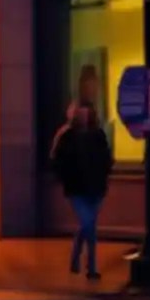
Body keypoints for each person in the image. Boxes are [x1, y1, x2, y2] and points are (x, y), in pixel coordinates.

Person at [50, 97, 113, 280]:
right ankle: (90, 267)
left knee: (88, 225)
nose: (84, 117)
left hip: (96, 187)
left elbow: (106, 157)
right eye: (81, 113)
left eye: (87, 113)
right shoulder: (67, 136)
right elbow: (57, 160)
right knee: (88, 224)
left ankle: (78, 259)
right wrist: (65, 178)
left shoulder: (98, 135)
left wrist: (105, 173)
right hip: (77, 188)